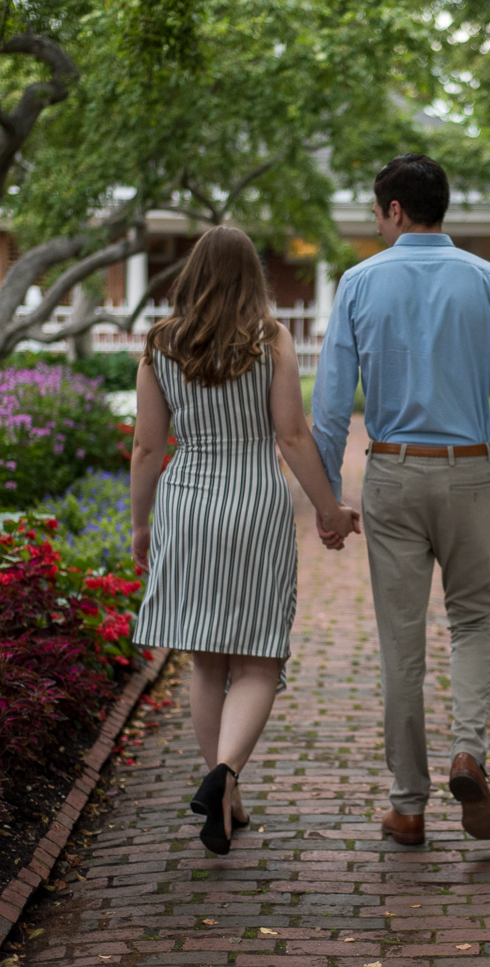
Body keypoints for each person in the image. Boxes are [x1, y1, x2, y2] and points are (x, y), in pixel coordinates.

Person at [310, 154, 490, 845]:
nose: (376, 225)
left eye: (376, 213)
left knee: (401, 643)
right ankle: (468, 749)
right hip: (470, 472)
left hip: (394, 474)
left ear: (395, 210)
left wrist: (329, 499)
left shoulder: (358, 283)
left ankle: (408, 806)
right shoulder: (487, 280)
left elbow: (329, 405)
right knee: (473, 622)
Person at [129, 226, 360, 856]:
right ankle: (225, 780)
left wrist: (140, 523)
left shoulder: (160, 343)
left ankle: (222, 796)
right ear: (252, 276)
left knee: (206, 657)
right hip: (254, 501)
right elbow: (290, 436)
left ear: (193, 274)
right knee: (259, 659)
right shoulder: (271, 338)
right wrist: (329, 511)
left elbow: (149, 446)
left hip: (187, 500)